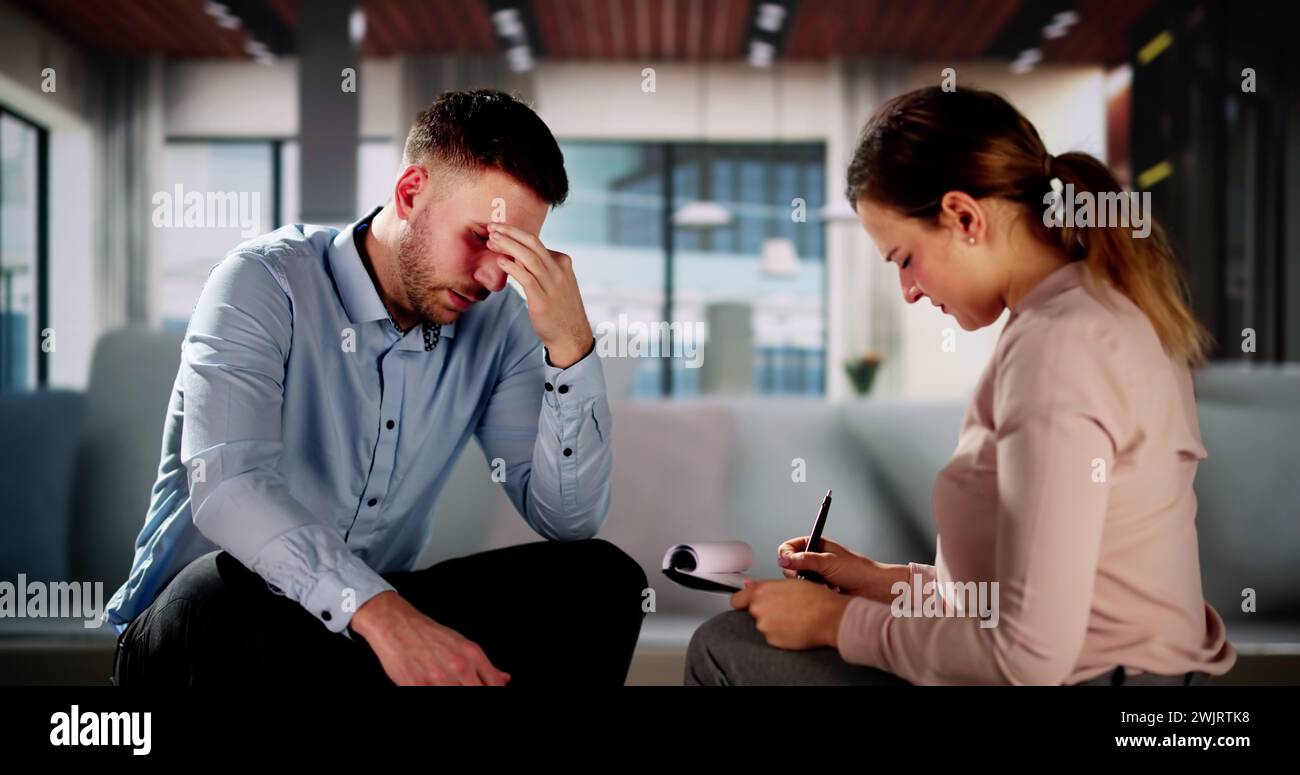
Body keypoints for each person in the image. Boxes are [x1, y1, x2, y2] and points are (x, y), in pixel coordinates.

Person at [685, 86, 1237, 686]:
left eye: (903, 258)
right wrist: (879, 582)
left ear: (964, 217)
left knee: (724, 647)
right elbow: (1026, 598)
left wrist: (835, 622)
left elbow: (1027, 654)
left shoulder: (1057, 349)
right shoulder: (1100, 312)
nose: (909, 290)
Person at [106, 89, 647, 686]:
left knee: (601, 581)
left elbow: (567, 521)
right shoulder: (263, 281)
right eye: (480, 239)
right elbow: (230, 488)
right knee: (219, 591)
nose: (495, 279)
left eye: (515, 254)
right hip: (211, 630)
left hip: (351, 643)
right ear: (411, 193)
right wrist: (384, 616)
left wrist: (571, 350)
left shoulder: (499, 328)